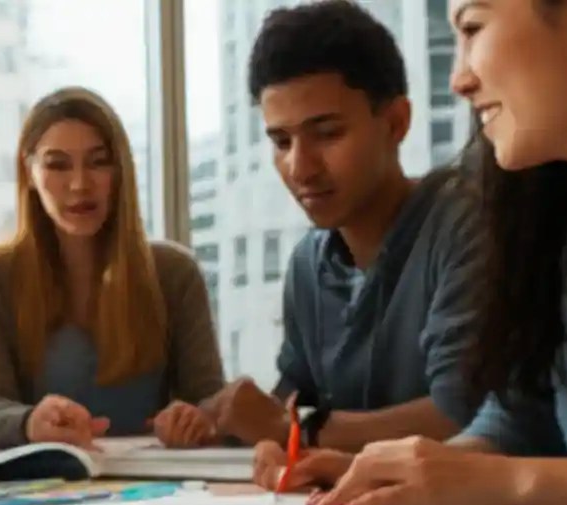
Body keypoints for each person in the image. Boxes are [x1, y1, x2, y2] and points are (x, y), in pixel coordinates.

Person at [259, 0, 567, 505]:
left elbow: (518, 472)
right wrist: (421, 471)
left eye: (473, 27)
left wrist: (517, 483)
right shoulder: (558, 227)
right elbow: (521, 419)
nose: (459, 79)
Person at [202, 0, 483, 454]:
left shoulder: (466, 224)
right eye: (281, 141)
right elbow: (296, 399)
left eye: (327, 133)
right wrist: (218, 421)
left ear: (396, 123)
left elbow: (463, 417)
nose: (300, 167)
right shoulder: (308, 265)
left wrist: (295, 429)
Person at [0, 87, 225, 449]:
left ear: (120, 172)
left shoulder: (174, 272)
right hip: (40, 482)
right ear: (30, 174)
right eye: (57, 164)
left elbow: (209, 398)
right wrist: (29, 422)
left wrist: (196, 419)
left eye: (98, 162)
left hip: (157, 486)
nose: (80, 184)